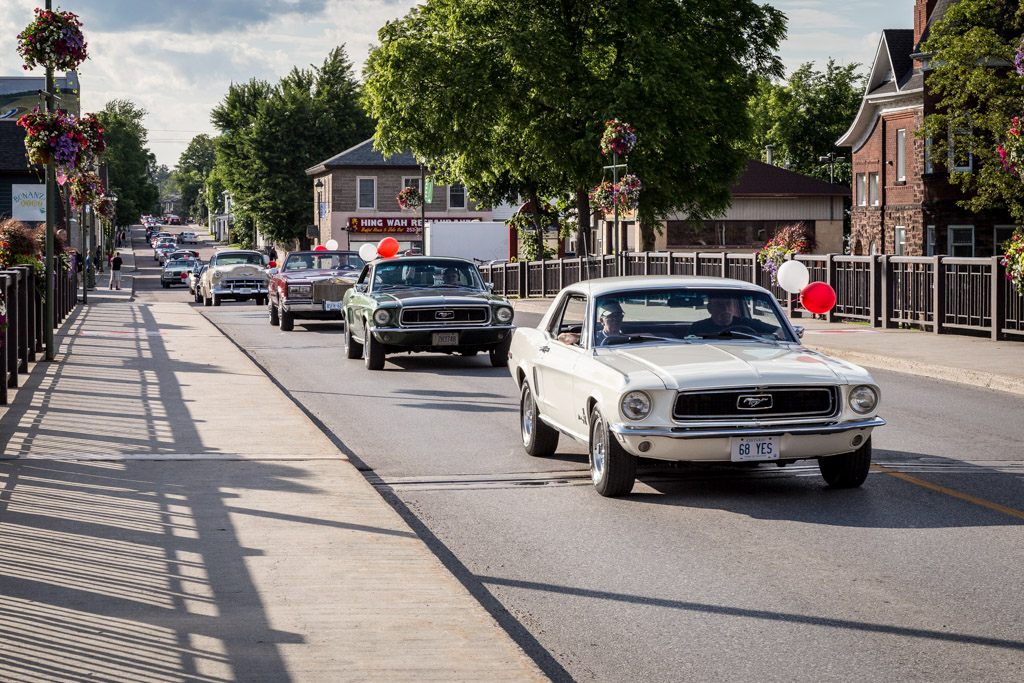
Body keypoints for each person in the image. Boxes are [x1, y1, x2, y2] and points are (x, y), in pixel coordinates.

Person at [688, 293, 779, 337]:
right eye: (720, 305)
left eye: (729, 304)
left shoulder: (749, 324)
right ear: (710, 308)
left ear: (733, 306)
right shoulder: (698, 327)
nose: (725, 309)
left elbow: (780, 331)